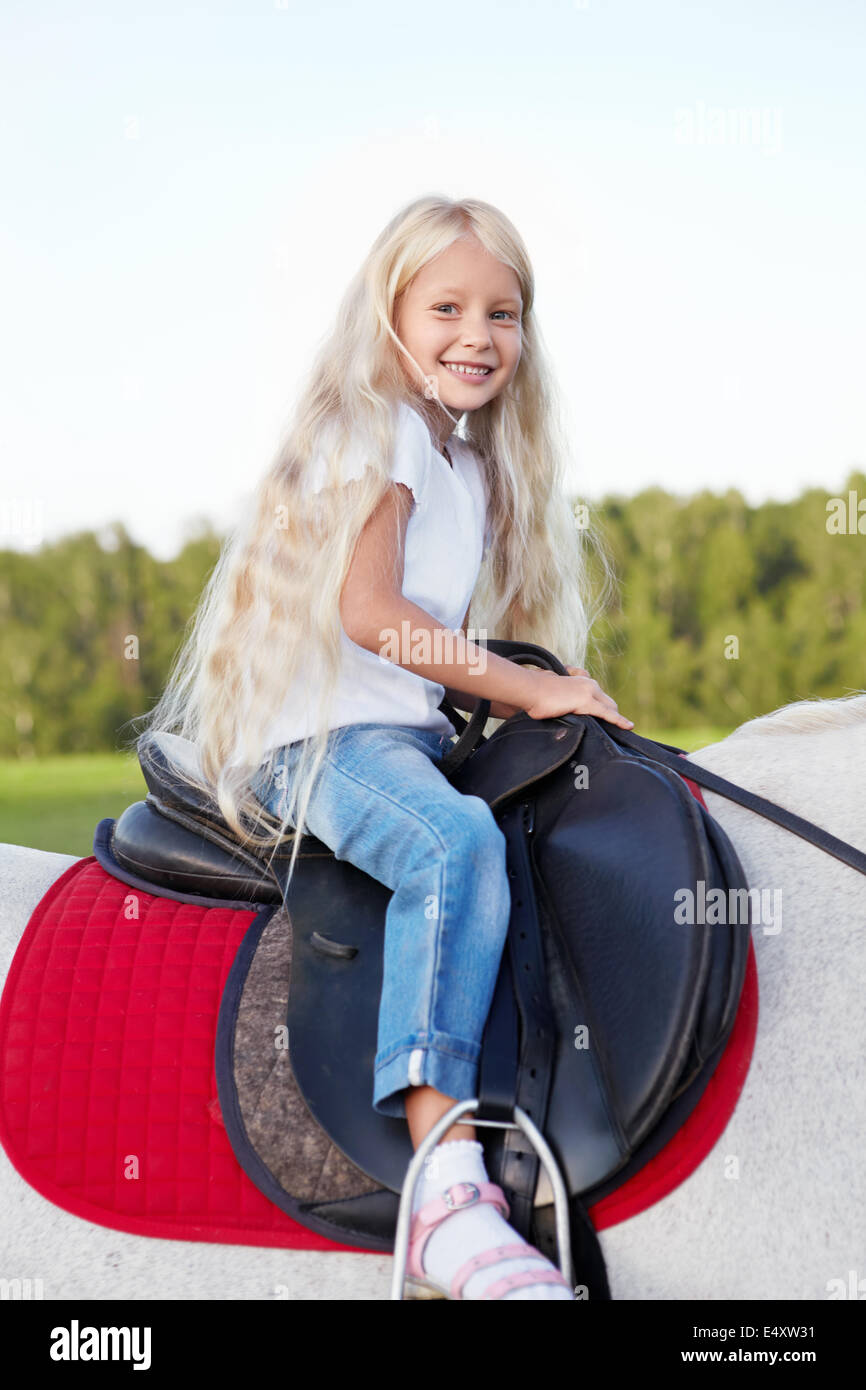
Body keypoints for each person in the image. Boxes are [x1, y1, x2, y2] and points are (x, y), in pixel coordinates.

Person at [135, 195, 633, 1300]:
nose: (477, 334)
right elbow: (370, 614)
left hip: (394, 732)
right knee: (452, 846)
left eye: (502, 312)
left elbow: (431, 646)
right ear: (390, 315)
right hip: (315, 738)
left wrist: (533, 700)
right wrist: (522, 686)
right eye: (446, 306)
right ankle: (446, 1193)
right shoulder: (383, 427)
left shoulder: (464, 462)